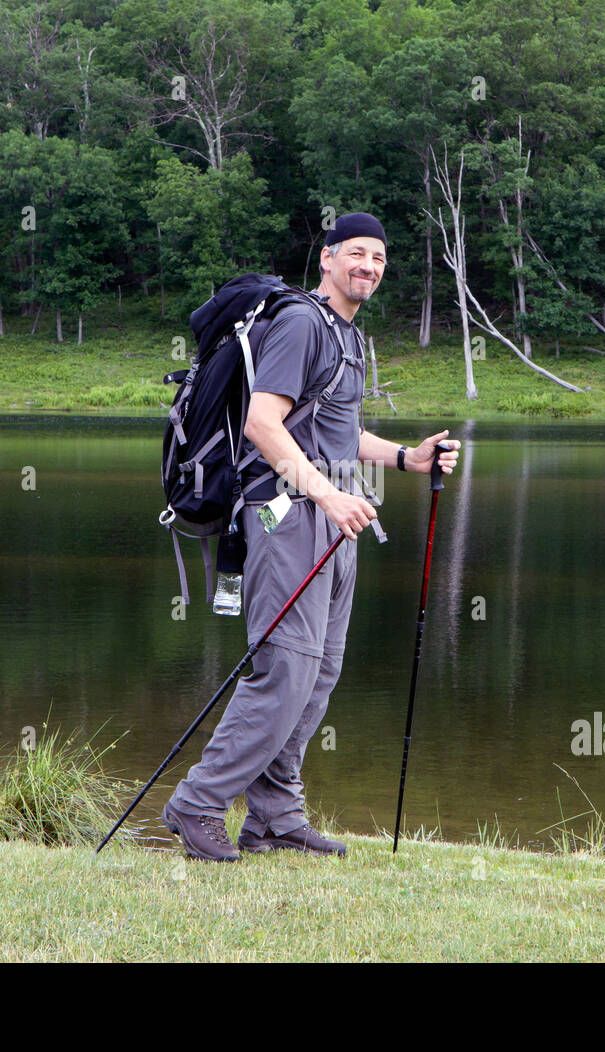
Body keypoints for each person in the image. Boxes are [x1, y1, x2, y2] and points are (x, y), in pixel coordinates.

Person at [161, 212, 461, 861]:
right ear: (326, 258)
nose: (369, 267)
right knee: (283, 671)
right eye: (357, 253)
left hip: (332, 521)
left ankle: (274, 816)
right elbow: (263, 425)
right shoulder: (301, 322)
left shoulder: (348, 337)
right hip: (286, 514)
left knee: (318, 672)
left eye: (378, 258)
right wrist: (326, 492)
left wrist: (408, 456)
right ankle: (198, 804)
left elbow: (335, 432)